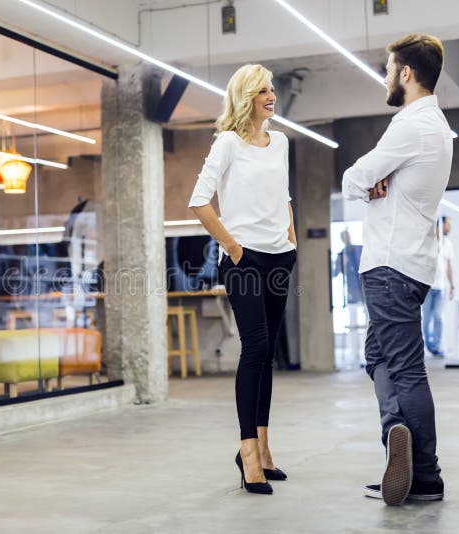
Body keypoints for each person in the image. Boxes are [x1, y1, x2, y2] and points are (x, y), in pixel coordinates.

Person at [341, 34, 452, 506]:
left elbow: (353, 178)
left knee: (405, 369)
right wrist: (374, 183)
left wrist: (366, 184)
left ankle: (423, 473)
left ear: (406, 73)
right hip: (411, 264)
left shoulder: (410, 125)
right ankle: (398, 434)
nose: (386, 77)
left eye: (388, 69)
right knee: (378, 357)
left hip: (390, 264)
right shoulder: (436, 125)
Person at [189, 64, 297, 495]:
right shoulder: (228, 143)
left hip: (280, 257)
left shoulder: (281, 142)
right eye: (262, 91)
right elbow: (199, 201)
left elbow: (284, 197)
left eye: (272, 89)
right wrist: (233, 247)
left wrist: (291, 240)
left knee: (267, 352)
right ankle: (247, 452)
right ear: (245, 97)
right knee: (254, 348)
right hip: (244, 260)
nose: (272, 96)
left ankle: (265, 450)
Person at [422, 217, 454, 357]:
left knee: (438, 316)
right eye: (448, 224)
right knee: (426, 319)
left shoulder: (448, 244)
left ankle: (435, 346)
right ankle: (429, 345)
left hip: (441, 287)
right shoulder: (428, 241)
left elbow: (449, 266)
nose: (450, 227)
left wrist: (452, 285)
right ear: (440, 225)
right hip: (427, 287)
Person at [333, 230, 366, 366]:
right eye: (344, 237)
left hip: (364, 293)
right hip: (351, 294)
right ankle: (354, 355)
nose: (346, 239)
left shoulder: (360, 249)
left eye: (347, 236)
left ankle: (366, 355)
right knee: (352, 325)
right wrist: (342, 263)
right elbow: (335, 273)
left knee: (367, 325)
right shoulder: (342, 254)